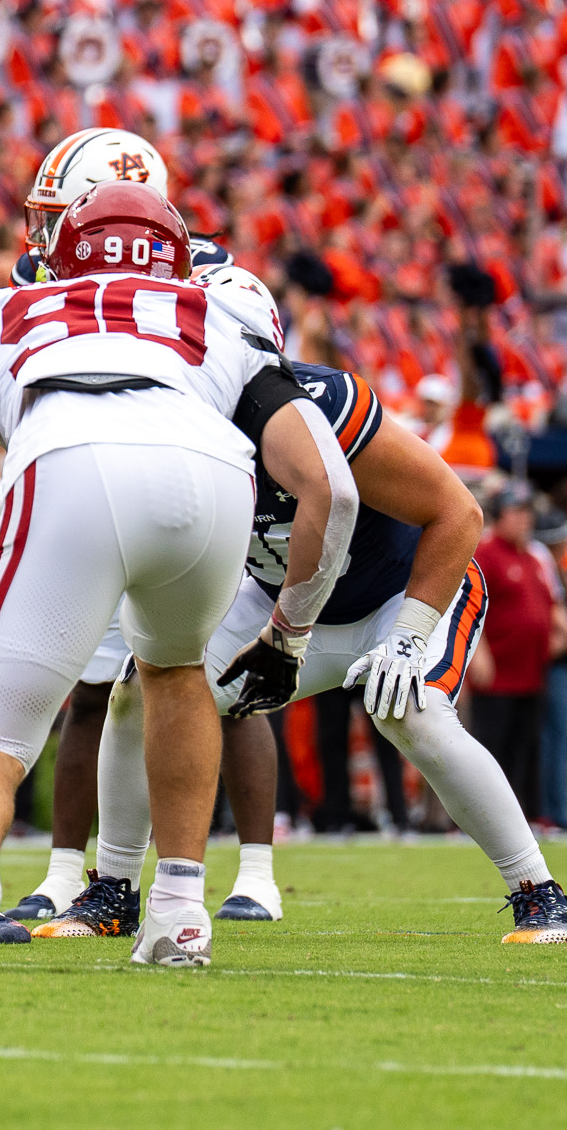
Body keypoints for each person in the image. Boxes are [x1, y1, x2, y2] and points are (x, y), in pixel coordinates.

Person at [0, 184, 356, 970]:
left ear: (56, 255)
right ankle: (180, 909)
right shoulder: (218, 314)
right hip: (211, 477)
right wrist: (289, 632)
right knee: (176, 672)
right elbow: (332, 487)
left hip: (71, 460)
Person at [73, 272, 566, 943]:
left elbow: (459, 512)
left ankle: (540, 891)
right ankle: (114, 888)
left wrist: (409, 637)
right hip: (279, 603)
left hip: (399, 594)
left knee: (410, 708)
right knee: (144, 682)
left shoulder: (324, 403)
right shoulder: (167, 418)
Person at [0, 127, 232, 934]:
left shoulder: (220, 290)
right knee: (95, 692)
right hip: (130, 490)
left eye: (63, 219)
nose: (44, 239)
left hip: (187, 492)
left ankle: (175, 885)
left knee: (175, 683)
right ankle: (83, 874)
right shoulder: (56, 292)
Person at [472, 481, 564, 824]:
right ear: (500, 516)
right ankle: (487, 821)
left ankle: (526, 820)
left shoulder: (535, 556)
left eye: (528, 513)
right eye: (518, 512)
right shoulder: (486, 552)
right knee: (493, 753)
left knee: (528, 752)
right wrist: (478, 650)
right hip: (498, 676)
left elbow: (548, 607)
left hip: (531, 673)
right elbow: (470, 607)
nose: (526, 520)